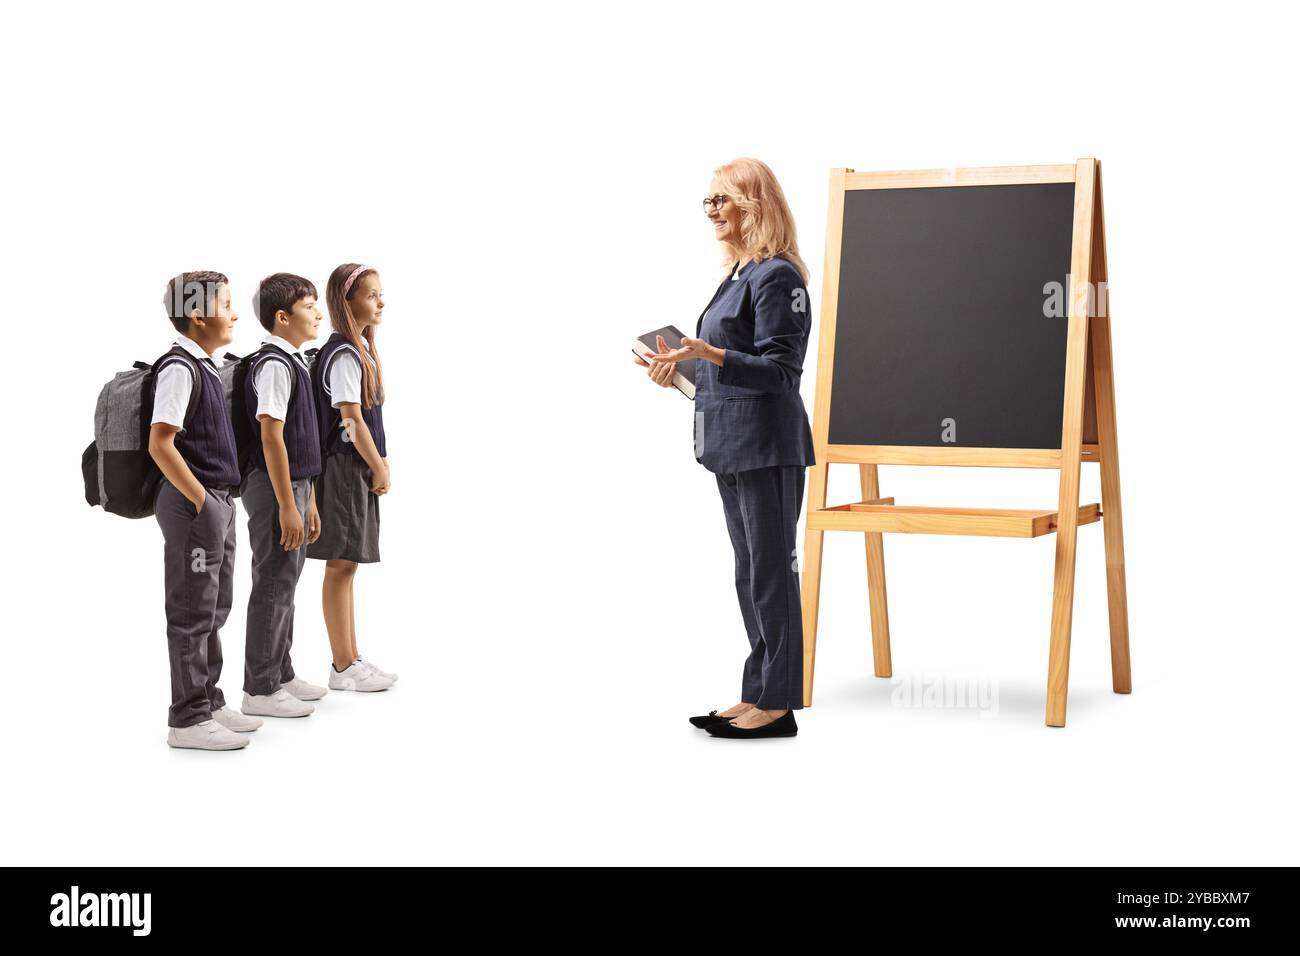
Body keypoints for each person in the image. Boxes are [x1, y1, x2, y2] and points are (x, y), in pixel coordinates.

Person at [638, 159, 816, 739]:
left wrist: (709, 356)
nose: (713, 210)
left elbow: (780, 371)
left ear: (754, 203)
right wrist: (681, 372)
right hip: (731, 447)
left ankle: (779, 704)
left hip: (767, 448)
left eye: (723, 199)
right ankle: (757, 693)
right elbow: (728, 369)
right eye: (708, 201)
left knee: (772, 572)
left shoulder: (777, 276)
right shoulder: (737, 275)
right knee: (749, 574)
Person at [149, 271, 257, 750]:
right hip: (194, 503)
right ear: (197, 314)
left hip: (216, 501)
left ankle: (209, 700)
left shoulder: (206, 365)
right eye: (227, 304)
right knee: (192, 610)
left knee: (215, 606)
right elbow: (160, 443)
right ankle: (188, 719)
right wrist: (200, 502)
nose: (234, 313)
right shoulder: (179, 367)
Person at [238, 273, 327, 720]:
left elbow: (298, 441)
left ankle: (282, 672)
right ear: (282, 316)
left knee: (286, 582)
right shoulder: (273, 364)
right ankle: (259, 687)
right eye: (310, 306)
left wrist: (306, 499)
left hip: (294, 486)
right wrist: (288, 505)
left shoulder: (294, 361)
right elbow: (271, 437)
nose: (318, 314)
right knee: (273, 581)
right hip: (273, 487)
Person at [306, 263, 397, 692]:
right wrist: (376, 464)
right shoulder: (343, 353)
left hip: (353, 467)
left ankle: (350, 658)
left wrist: (381, 460)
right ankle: (343, 665)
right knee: (340, 563)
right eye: (371, 294)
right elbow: (350, 420)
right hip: (343, 468)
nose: (380, 301)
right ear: (347, 302)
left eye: (381, 294)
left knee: (347, 564)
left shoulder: (357, 348)